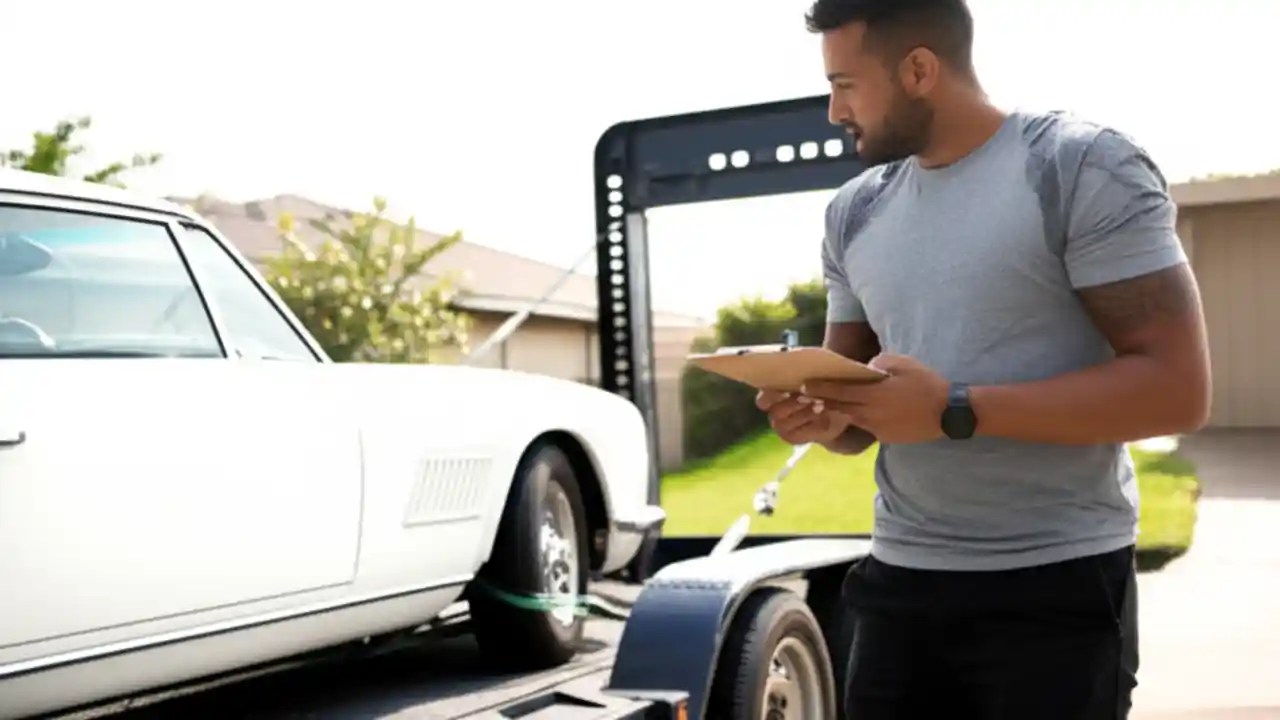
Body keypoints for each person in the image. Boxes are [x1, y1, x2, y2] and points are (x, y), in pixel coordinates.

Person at [756, 0, 1212, 717]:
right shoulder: (852, 212)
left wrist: (954, 410)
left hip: (1056, 587)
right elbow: (858, 417)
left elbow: (1175, 390)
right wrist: (816, 415)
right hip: (899, 585)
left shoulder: (1079, 166)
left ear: (917, 70)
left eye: (845, 84)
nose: (833, 110)